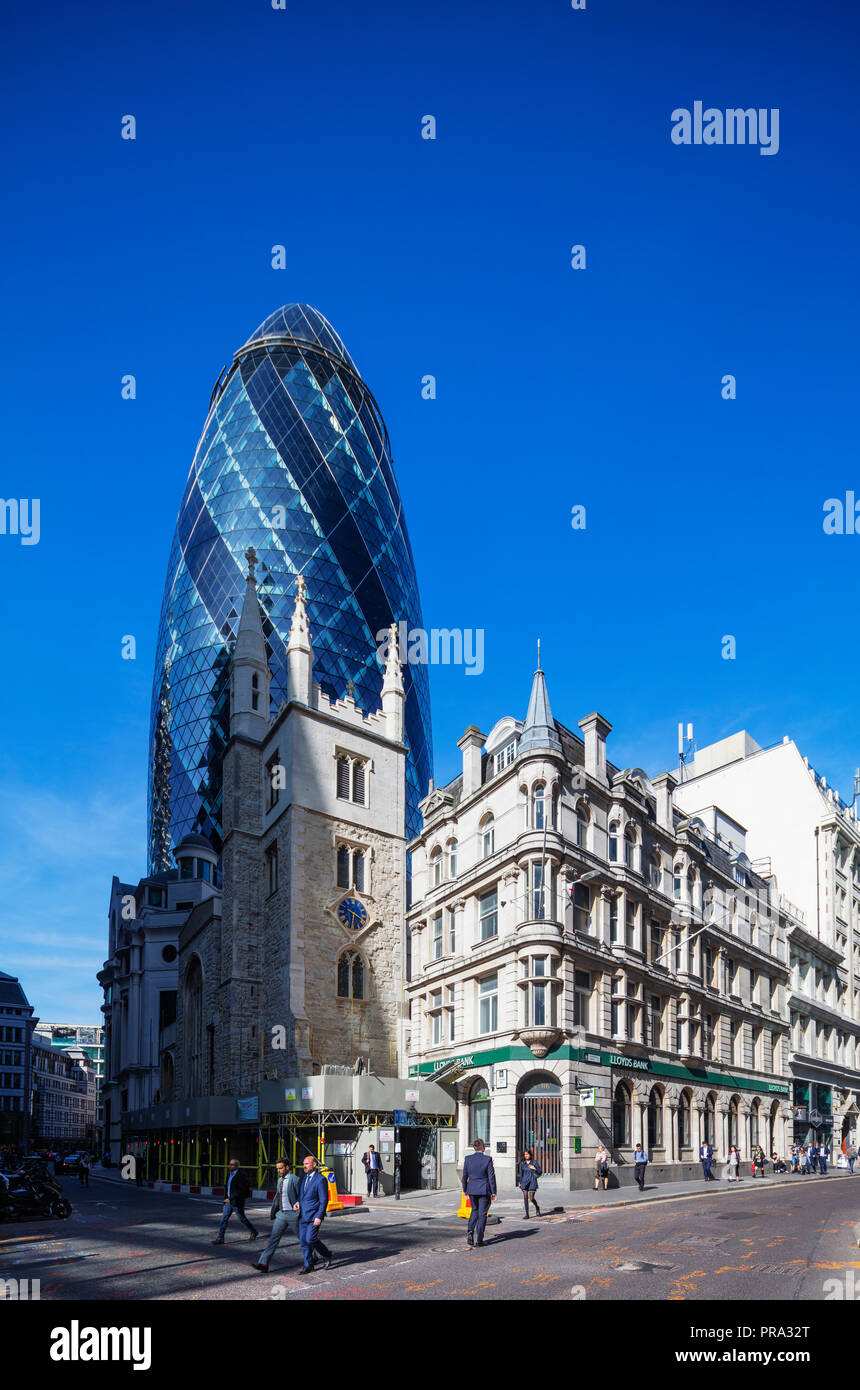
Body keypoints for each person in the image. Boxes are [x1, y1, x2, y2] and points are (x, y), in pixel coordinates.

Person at [255, 1159, 301, 1273]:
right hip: (281, 1214)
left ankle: (313, 1257)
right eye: (277, 1169)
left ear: (287, 1167)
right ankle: (263, 1264)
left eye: (280, 1168)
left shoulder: (295, 1180)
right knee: (273, 1240)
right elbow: (278, 1196)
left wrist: (299, 1207)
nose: (278, 1171)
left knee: (303, 1239)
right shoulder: (279, 1180)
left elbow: (301, 1196)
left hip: (293, 1214)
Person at [295, 1155, 333, 1275]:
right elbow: (302, 1195)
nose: (304, 1166)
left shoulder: (320, 1179)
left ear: (314, 1165)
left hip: (314, 1216)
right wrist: (298, 1202)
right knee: (303, 1241)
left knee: (310, 1239)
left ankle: (327, 1254)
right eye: (303, 1163)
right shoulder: (303, 1178)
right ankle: (308, 1265)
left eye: (306, 1164)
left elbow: (323, 1200)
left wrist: (319, 1216)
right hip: (303, 1215)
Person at [211, 1158, 259, 1245]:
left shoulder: (241, 1175)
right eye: (230, 1164)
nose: (230, 1166)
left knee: (242, 1219)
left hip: (237, 1202)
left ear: (237, 1166)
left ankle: (254, 1231)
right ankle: (220, 1238)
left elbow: (242, 1190)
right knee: (223, 1219)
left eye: (232, 1165)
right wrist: (226, 1198)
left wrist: (231, 1198)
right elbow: (228, 1188)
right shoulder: (229, 1174)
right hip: (228, 1202)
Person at [461, 1138, 497, 1247]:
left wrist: (465, 1190)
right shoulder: (487, 1159)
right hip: (483, 1190)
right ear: (482, 1147)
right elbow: (491, 1177)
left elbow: (464, 1177)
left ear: (474, 1148)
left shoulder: (468, 1159)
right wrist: (494, 1192)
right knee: (482, 1215)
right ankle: (479, 1239)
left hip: (471, 1189)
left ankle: (470, 1231)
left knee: (474, 1211)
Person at [518, 1148, 542, 1218]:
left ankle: (537, 1207)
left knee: (531, 1198)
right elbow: (521, 1174)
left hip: (532, 1181)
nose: (526, 1156)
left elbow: (540, 1171)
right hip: (525, 1182)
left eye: (527, 1154)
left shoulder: (534, 1162)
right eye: (525, 1154)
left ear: (530, 1155)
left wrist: (535, 1168)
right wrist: (520, 1182)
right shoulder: (523, 1163)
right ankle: (527, 1214)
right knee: (525, 1197)